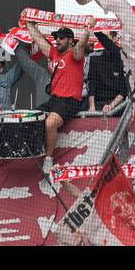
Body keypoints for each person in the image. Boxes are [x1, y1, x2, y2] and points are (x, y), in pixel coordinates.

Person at [24, 15, 95, 174]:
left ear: (70, 40)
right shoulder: (54, 53)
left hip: (70, 101)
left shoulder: (76, 54)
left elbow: (81, 45)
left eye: (62, 37)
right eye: (56, 37)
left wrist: (88, 29)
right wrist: (29, 24)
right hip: (54, 100)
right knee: (31, 117)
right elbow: (40, 40)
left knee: (50, 123)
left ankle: (49, 159)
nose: (57, 40)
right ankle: (36, 151)